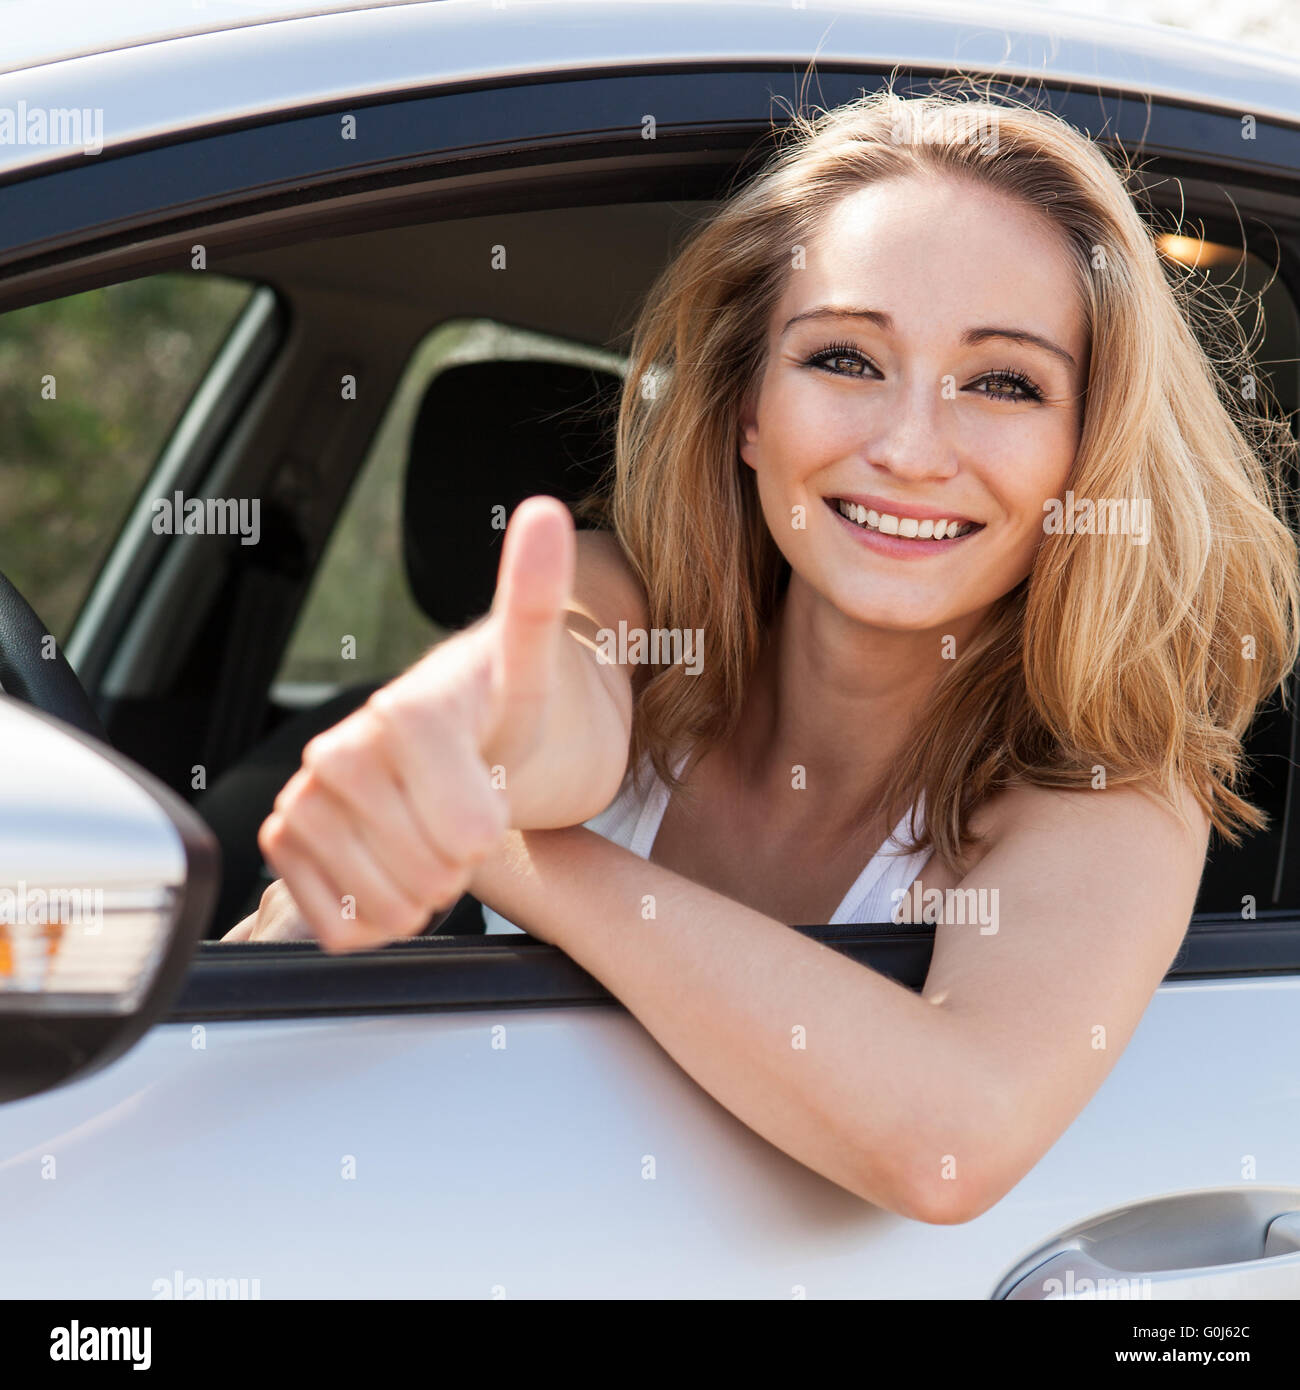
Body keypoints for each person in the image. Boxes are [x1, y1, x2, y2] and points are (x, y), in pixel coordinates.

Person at [224, 85, 1300, 1223]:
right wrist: (456, 738)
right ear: (746, 409)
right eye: (844, 359)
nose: (908, 449)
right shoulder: (623, 597)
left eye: (1001, 382)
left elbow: (952, 1138)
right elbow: (547, 712)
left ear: (1086, 454)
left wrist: (505, 849)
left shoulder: (1108, 792)